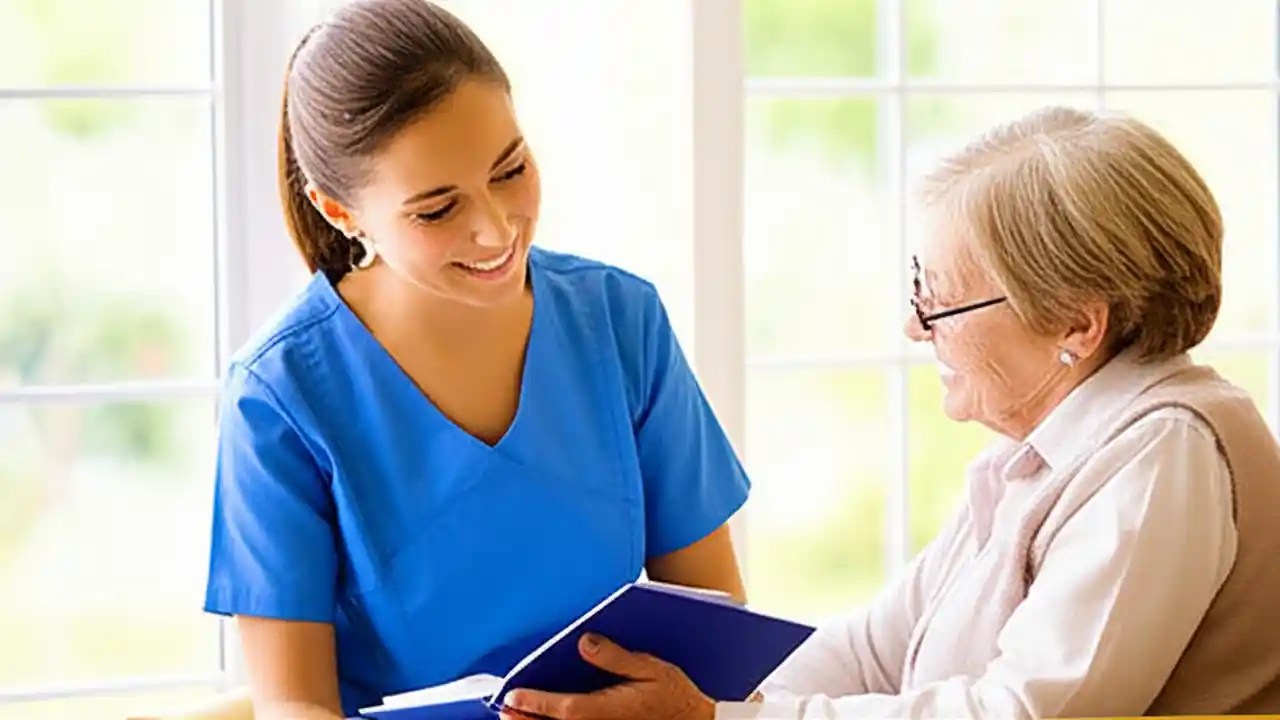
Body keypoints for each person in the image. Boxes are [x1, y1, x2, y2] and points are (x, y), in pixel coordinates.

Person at [498, 106, 1280, 720]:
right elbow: (872, 653)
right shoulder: (1049, 454)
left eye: (941, 298)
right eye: (919, 286)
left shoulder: (1164, 454)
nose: (915, 325)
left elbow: (1027, 712)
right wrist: (673, 695)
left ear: (1078, 323)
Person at [201, 1, 750, 718]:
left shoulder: (621, 323)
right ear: (340, 211)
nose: (495, 230)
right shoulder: (279, 396)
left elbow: (718, 638)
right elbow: (293, 706)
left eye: (510, 169)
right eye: (436, 209)